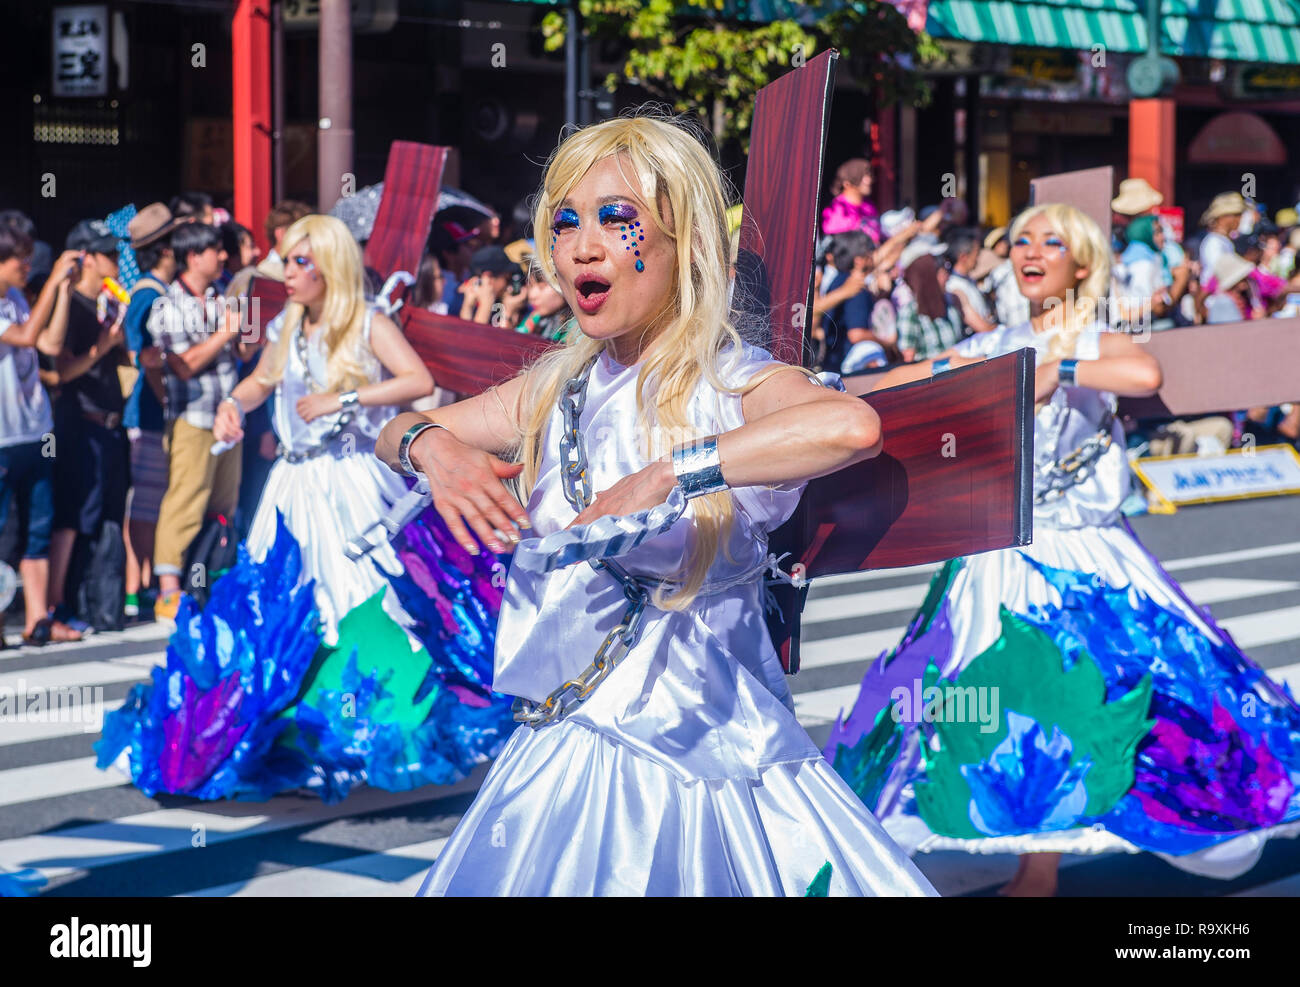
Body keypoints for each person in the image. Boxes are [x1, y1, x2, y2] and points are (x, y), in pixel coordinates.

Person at [379, 113, 936, 897]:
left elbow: (848, 426)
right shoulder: (558, 385)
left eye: (618, 221)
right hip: (567, 750)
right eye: (565, 222)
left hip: (717, 757)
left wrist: (677, 472)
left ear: (687, 244)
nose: (581, 248)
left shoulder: (732, 378)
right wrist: (430, 450)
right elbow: (400, 425)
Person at [824, 202, 1300, 896]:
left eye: (1052, 241)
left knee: (1115, 690)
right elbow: (926, 373)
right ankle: (1035, 866)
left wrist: (1060, 362)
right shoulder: (994, 342)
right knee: (1004, 697)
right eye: (1021, 240)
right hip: (999, 551)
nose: (1031, 251)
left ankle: (1071, 852)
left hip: (1085, 556)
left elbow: (1143, 376)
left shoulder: (1099, 337)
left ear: (1081, 263)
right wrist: (835, 388)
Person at [97, 214, 514, 802]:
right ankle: (296, 726)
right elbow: (261, 382)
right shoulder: (289, 325)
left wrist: (346, 396)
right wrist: (234, 407)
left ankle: (366, 725)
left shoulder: (369, 321)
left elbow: (415, 380)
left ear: (329, 268)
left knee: (360, 601)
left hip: (351, 483)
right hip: (290, 486)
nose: (286, 272)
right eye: (285, 259)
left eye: (298, 261)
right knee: (282, 607)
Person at [148, 220, 249, 621]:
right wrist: (225, 334)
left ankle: (208, 578)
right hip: (192, 417)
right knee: (185, 500)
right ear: (193, 256)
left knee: (224, 502)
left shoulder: (222, 296)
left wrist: (248, 338)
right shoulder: (168, 305)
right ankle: (168, 591)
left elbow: (239, 356)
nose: (224, 256)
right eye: (216, 250)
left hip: (228, 415)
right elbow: (184, 365)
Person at [47, 219, 130, 635]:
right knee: (74, 517)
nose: (116, 260)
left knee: (107, 515)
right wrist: (104, 346)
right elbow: (62, 370)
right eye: (108, 254)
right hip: (80, 423)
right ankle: (56, 605)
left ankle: (98, 604)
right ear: (86, 259)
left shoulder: (105, 305)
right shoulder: (72, 307)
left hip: (111, 426)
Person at [0, 225, 82, 644]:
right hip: (2, 437)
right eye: (21, 261)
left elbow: (47, 341)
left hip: (34, 431)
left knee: (38, 527)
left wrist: (63, 291)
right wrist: (51, 282)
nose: (28, 269)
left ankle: (38, 620)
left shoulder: (15, 298)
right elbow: (27, 335)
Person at [121, 204, 189, 619]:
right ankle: (139, 587)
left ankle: (140, 586)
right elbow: (141, 353)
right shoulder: (149, 295)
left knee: (154, 502)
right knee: (146, 505)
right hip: (147, 412)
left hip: (153, 412)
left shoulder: (157, 292)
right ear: (164, 249)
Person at [895, 241, 964, 361]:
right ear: (927, 275)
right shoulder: (910, 314)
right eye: (941, 269)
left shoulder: (950, 304)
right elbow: (909, 362)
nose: (947, 275)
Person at [821, 158, 882, 245]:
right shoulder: (836, 211)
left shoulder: (869, 206)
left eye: (869, 174)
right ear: (847, 184)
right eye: (862, 175)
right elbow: (838, 250)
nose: (869, 180)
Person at [1198, 192, 1245, 280]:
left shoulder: (1223, 241)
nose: (1240, 218)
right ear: (1224, 217)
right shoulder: (1214, 242)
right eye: (1237, 215)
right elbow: (1216, 273)